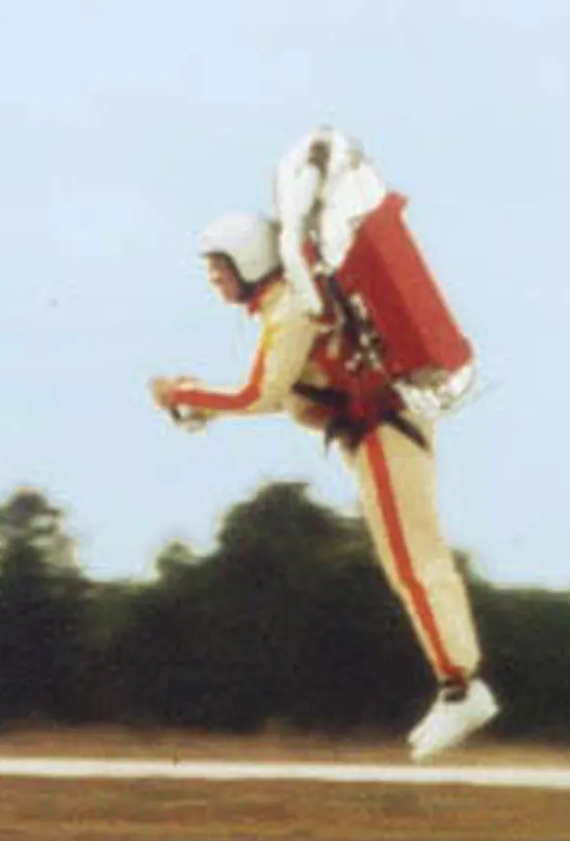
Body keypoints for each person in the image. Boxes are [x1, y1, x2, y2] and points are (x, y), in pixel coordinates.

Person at [149, 131, 498, 762]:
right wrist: (199, 406)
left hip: (384, 429)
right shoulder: (283, 308)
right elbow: (282, 393)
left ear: (249, 262)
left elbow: (259, 392)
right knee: (410, 560)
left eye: (219, 268)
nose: (214, 280)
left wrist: (188, 394)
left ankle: (461, 686)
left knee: (413, 560)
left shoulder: (290, 311)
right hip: (379, 431)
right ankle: (457, 683)